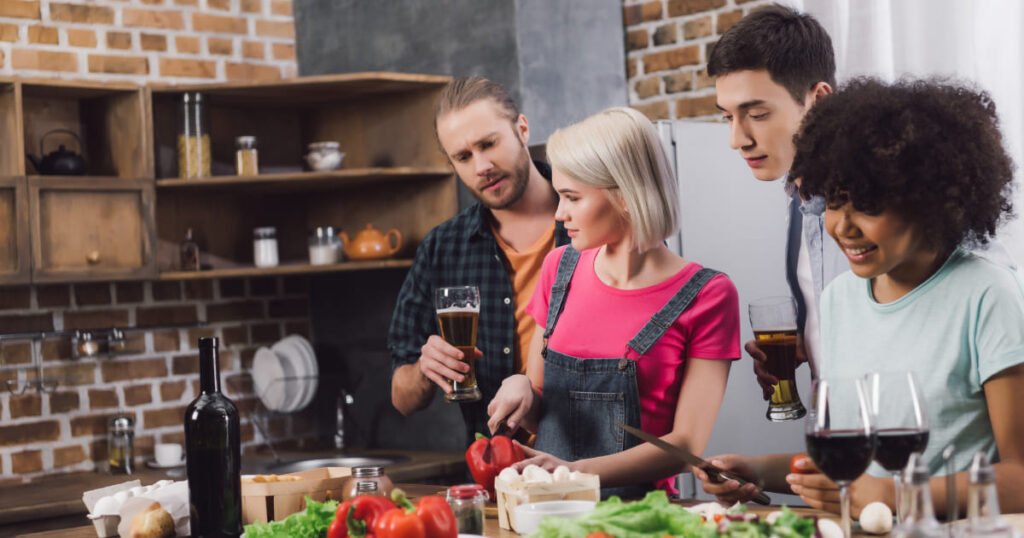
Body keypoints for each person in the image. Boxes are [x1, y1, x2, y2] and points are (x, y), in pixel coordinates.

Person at [695, 77, 1024, 517]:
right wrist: (757, 470)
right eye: (833, 201)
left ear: (932, 200)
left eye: (867, 205)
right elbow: (855, 468)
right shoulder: (839, 300)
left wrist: (895, 497)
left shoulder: (989, 295)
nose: (843, 227)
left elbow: (1020, 477)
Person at [485, 107, 740, 497]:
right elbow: (542, 408)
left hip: (639, 518)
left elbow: (686, 445)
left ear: (624, 195)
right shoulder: (559, 270)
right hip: (550, 513)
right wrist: (520, 386)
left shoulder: (709, 295)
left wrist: (575, 472)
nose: (559, 213)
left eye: (572, 197)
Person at [388, 76, 569, 442]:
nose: (481, 165)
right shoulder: (443, 248)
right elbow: (401, 398)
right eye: (463, 156)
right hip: (494, 477)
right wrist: (426, 369)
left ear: (521, 129)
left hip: (592, 471)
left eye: (489, 144)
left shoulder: (589, 222)